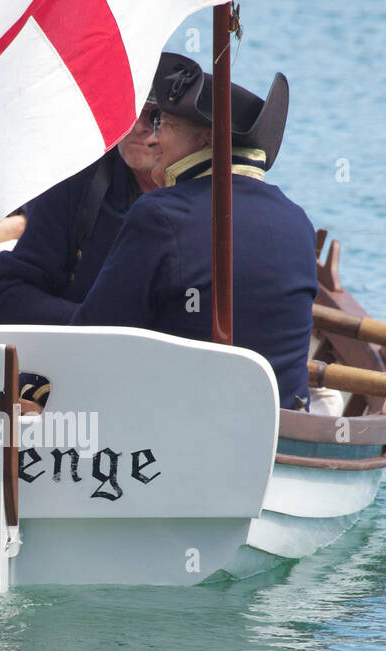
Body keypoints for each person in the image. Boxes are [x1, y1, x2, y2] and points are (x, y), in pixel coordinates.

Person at [69, 55, 316, 410]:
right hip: (285, 424)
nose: (153, 139)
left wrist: (32, 390)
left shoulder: (158, 215)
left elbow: (92, 343)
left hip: (184, 426)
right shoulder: (299, 221)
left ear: (206, 140)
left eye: (163, 124)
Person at [0, 54, 179, 325]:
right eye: (129, 109)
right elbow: (5, 294)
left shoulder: (212, 199)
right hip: (82, 359)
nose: (139, 127)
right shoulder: (78, 182)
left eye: (156, 116)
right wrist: (94, 327)